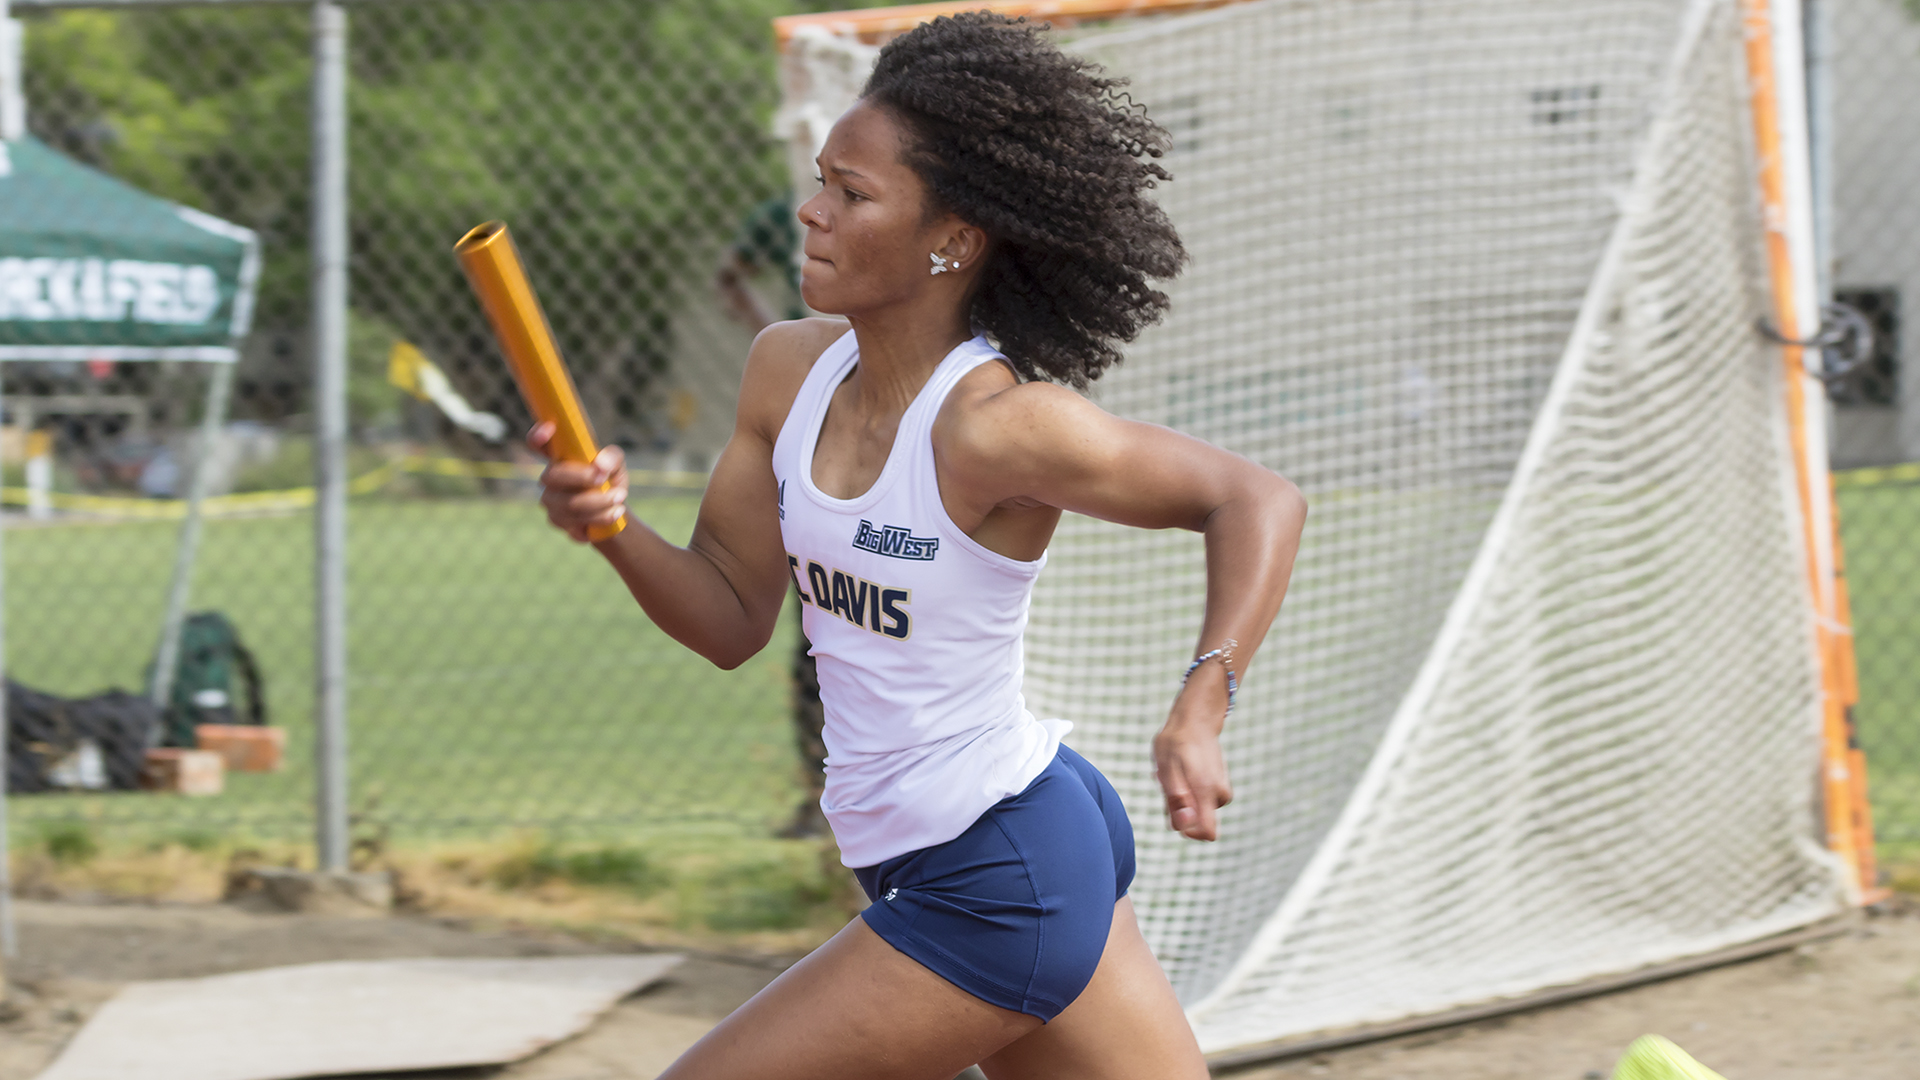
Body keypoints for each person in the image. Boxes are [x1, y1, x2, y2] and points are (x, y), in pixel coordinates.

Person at [531, 14, 1307, 1079]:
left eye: (853, 195)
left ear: (953, 238)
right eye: (822, 182)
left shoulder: (999, 426)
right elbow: (725, 617)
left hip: (1001, 869)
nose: (810, 212)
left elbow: (1254, 498)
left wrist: (1201, 706)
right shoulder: (784, 373)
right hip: (955, 845)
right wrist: (609, 529)